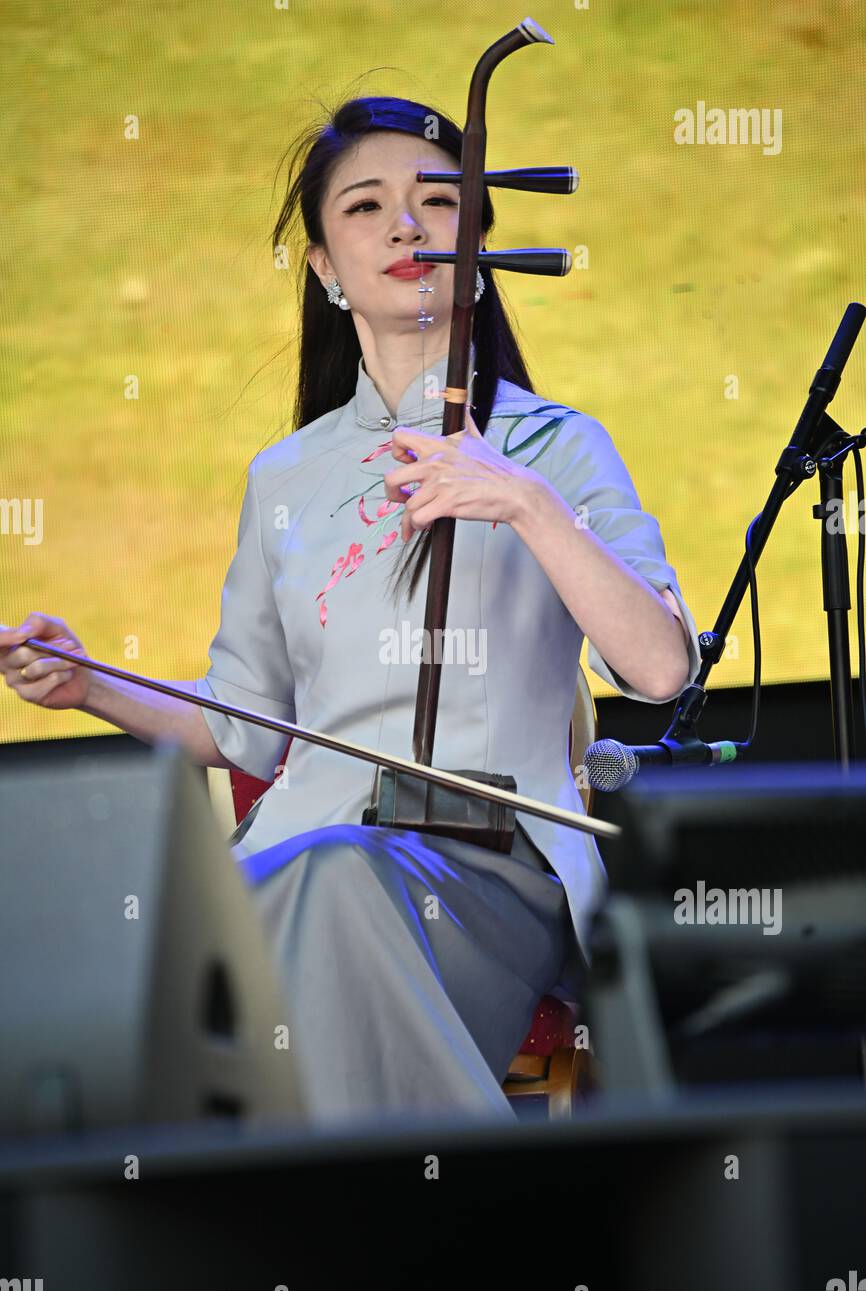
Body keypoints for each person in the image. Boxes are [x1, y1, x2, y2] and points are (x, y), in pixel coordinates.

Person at [0, 97, 700, 1126]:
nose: (406, 227)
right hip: (303, 854)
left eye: (434, 200)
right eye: (366, 207)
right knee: (152, 931)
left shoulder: (557, 447)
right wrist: (88, 683)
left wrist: (523, 501)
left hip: (487, 874)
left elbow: (659, 667)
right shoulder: (284, 477)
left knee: (326, 890)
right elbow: (241, 723)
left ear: (479, 242)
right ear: (327, 269)